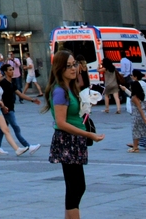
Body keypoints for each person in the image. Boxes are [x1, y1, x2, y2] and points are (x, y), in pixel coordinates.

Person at [44, 53, 104, 219]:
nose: (73, 68)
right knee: (76, 186)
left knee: (75, 186)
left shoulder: (70, 88)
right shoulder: (60, 91)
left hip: (74, 139)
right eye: (68, 66)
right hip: (67, 140)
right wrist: (88, 134)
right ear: (59, 68)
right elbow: (61, 122)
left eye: (74, 64)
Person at [0, 65, 41, 155]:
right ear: (5, 72)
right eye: (10, 70)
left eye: (13, 69)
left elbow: (20, 94)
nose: (12, 71)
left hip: (10, 108)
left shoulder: (12, 83)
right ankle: (28, 146)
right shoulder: (3, 83)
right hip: (7, 109)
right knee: (16, 127)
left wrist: (32, 100)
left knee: (3, 129)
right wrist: (3, 107)